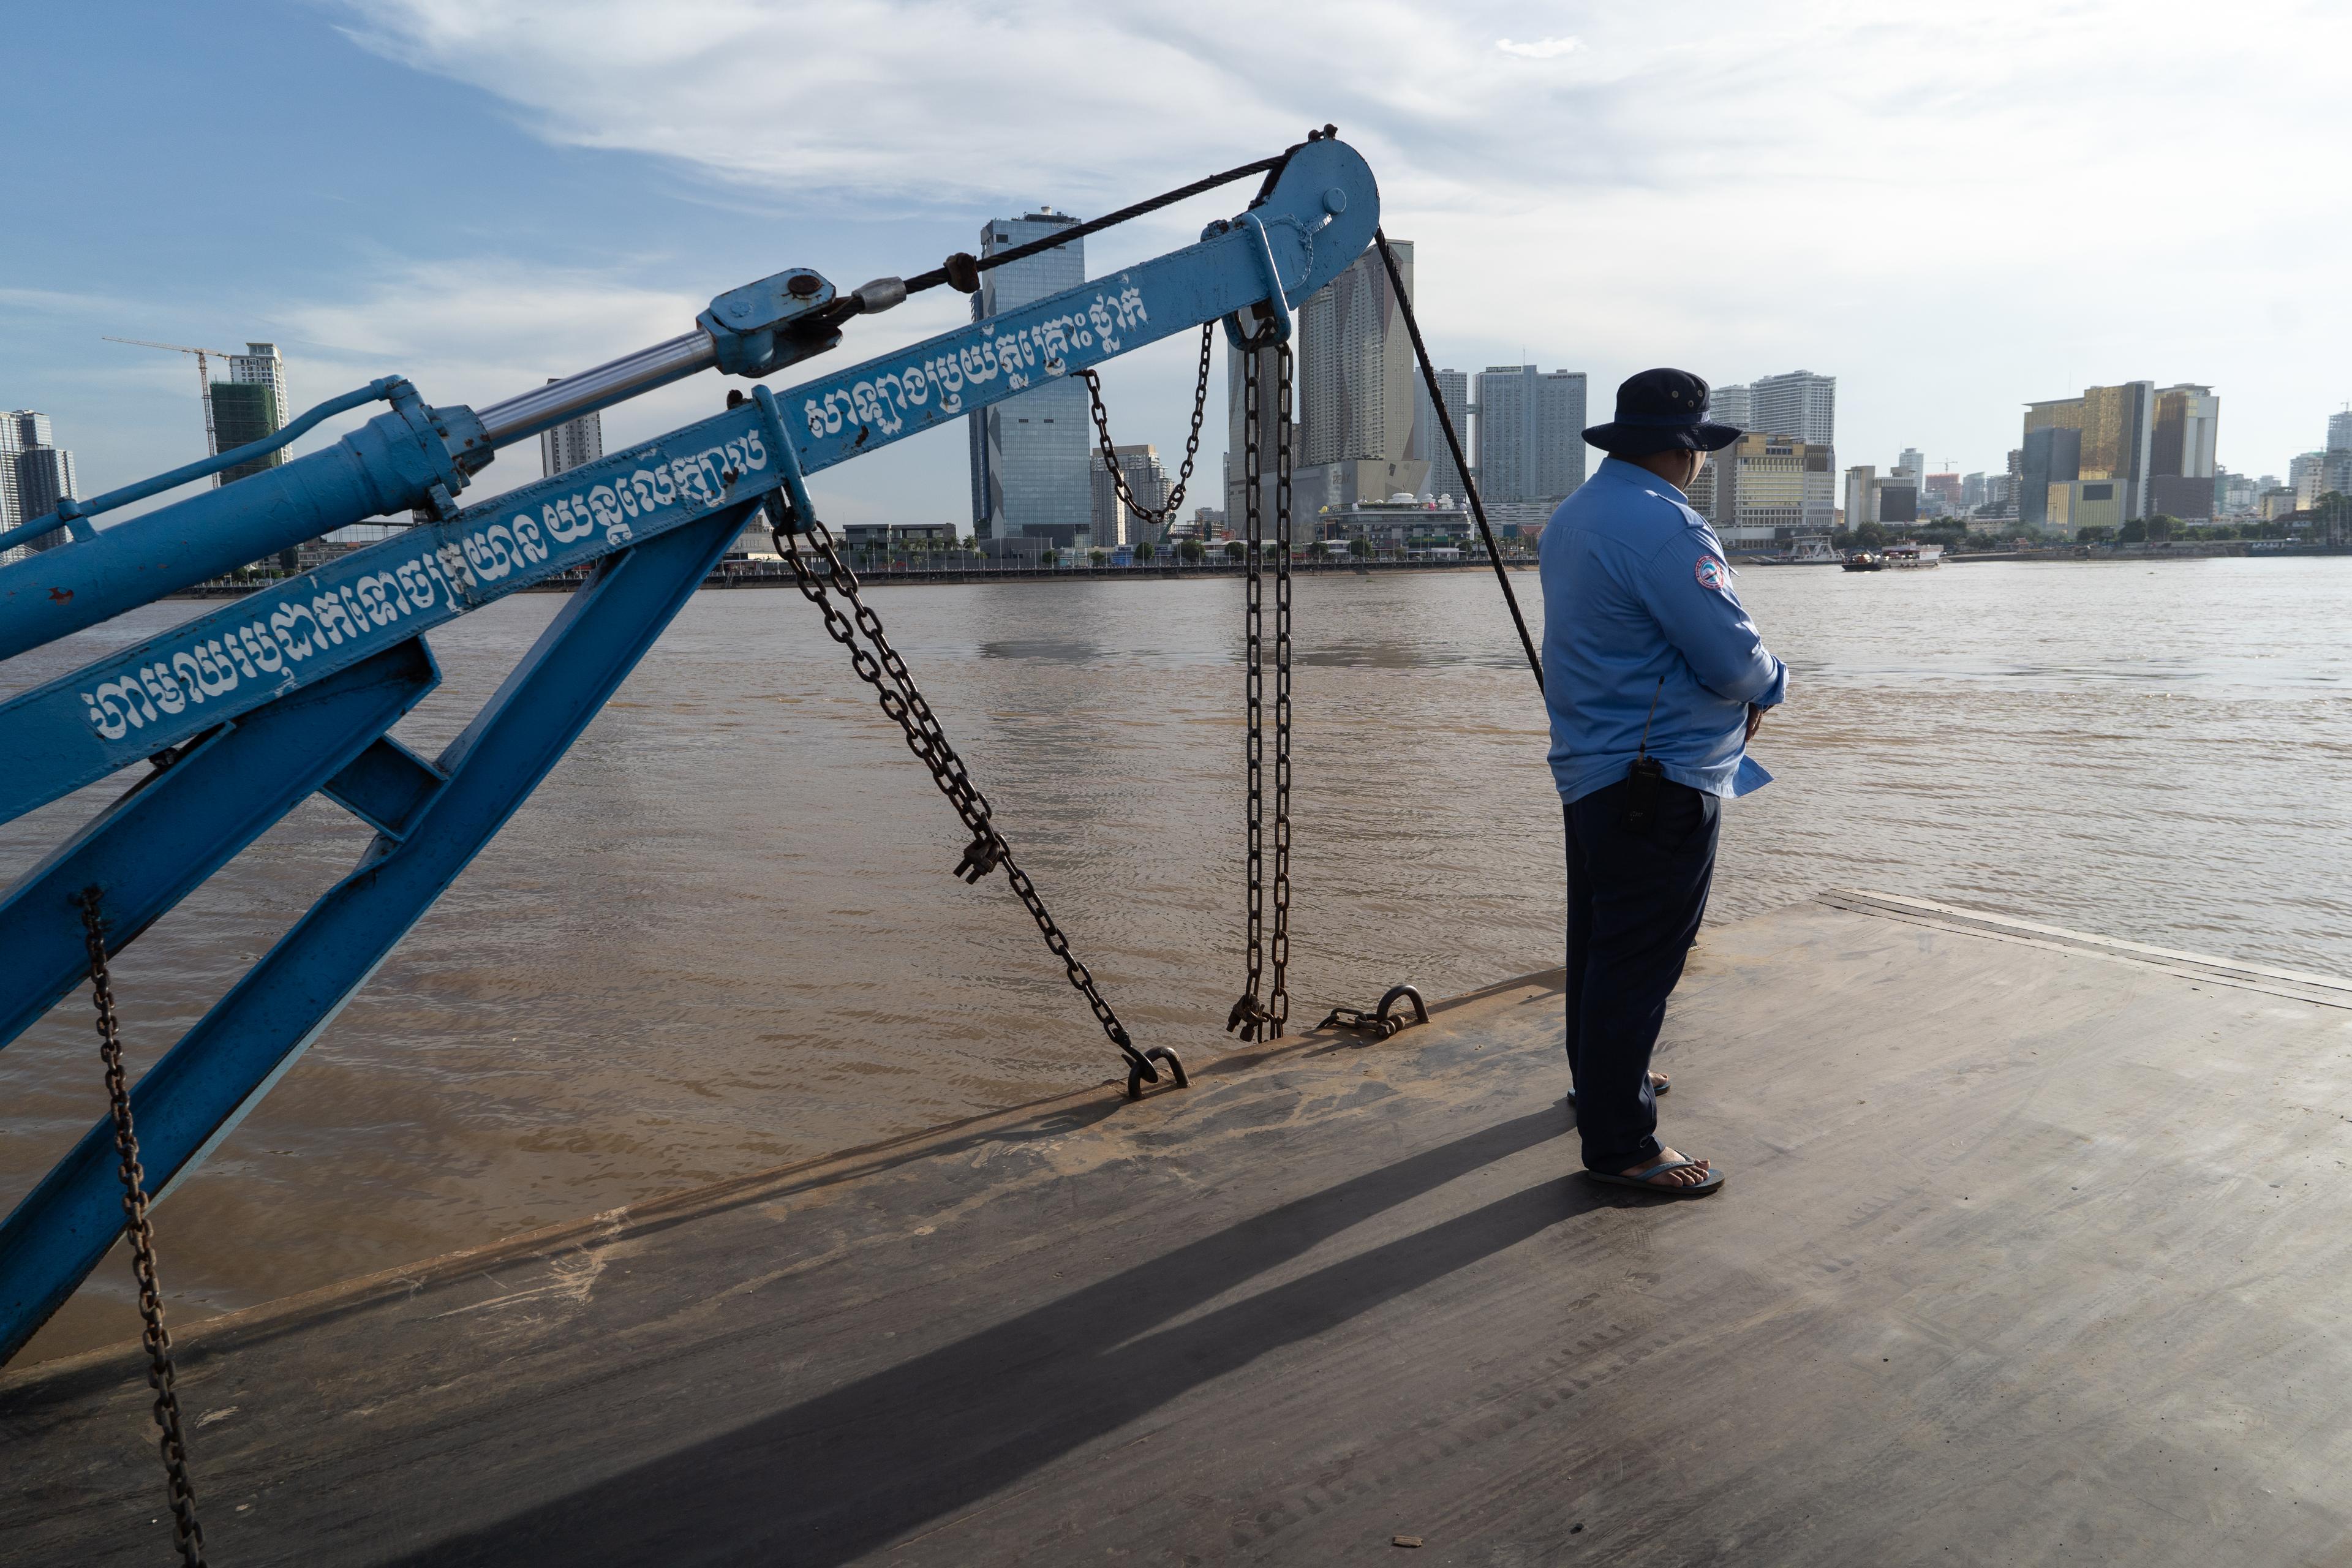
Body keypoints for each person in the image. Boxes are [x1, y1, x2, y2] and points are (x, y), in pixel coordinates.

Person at [1537, 369, 1787, 1198]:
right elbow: (1730, 656)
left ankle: (1599, 1082)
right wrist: (1774, 682)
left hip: (1593, 768)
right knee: (1643, 956)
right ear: (1684, 450)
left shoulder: (1574, 519)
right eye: (1701, 450)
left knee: (1600, 947)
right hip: (1661, 777)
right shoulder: (1665, 529)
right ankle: (1623, 1145)